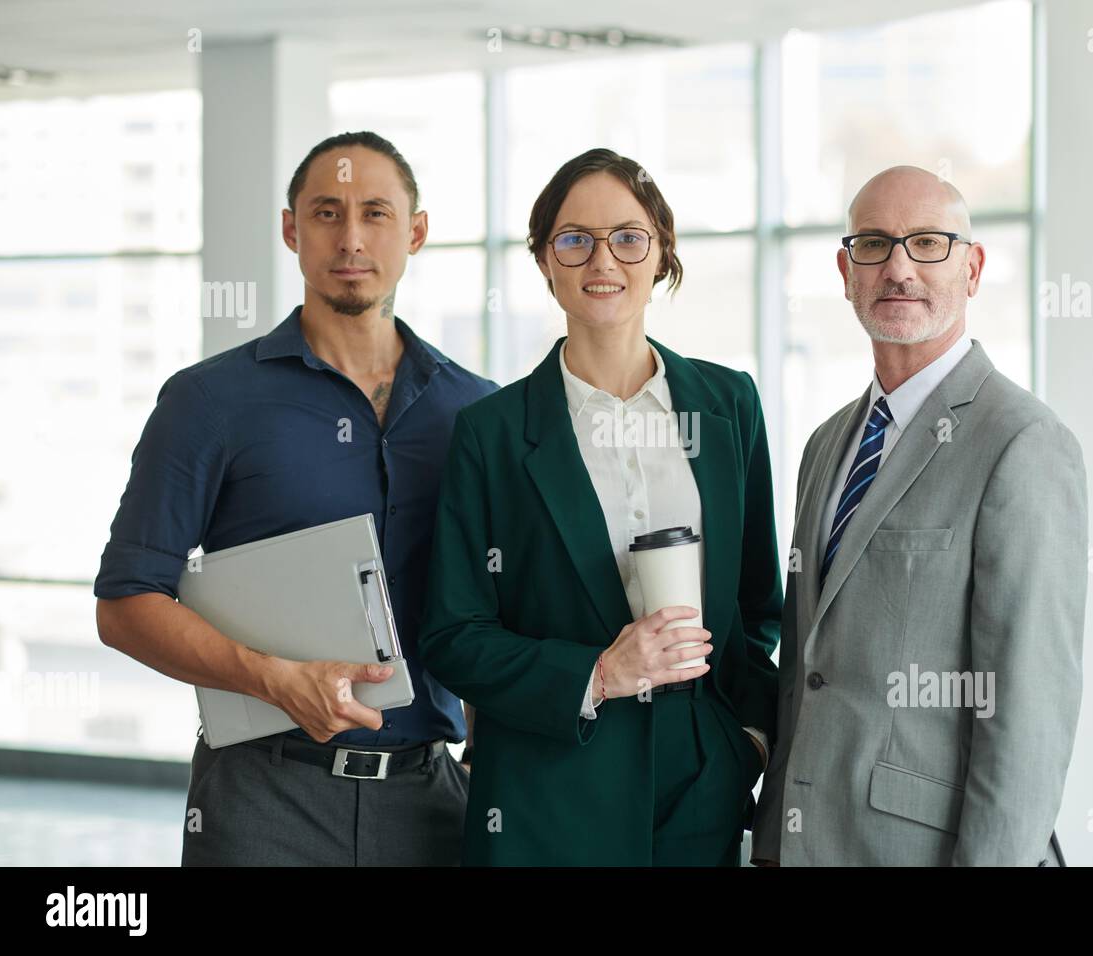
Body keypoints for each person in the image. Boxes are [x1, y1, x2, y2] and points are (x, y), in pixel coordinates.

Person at [94, 131, 495, 865]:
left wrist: (491, 766)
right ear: (291, 230)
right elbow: (125, 605)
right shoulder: (208, 401)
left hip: (432, 806)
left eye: (375, 213)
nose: (350, 238)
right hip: (262, 802)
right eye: (326, 213)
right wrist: (274, 679)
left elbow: (496, 605)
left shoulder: (476, 411)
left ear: (417, 232)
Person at [419, 147, 780, 866]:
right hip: (547, 789)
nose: (602, 260)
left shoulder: (728, 403)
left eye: (627, 237)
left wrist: (746, 743)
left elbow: (756, 604)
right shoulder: (492, 433)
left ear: (660, 256)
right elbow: (453, 635)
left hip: (699, 781)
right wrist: (600, 674)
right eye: (574, 240)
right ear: (546, 263)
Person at [751, 165, 1087, 866]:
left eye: (928, 243)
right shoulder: (826, 444)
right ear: (846, 271)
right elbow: (805, 674)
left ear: (973, 267)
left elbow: (1028, 715)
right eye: (874, 245)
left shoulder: (1022, 443)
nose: (899, 267)